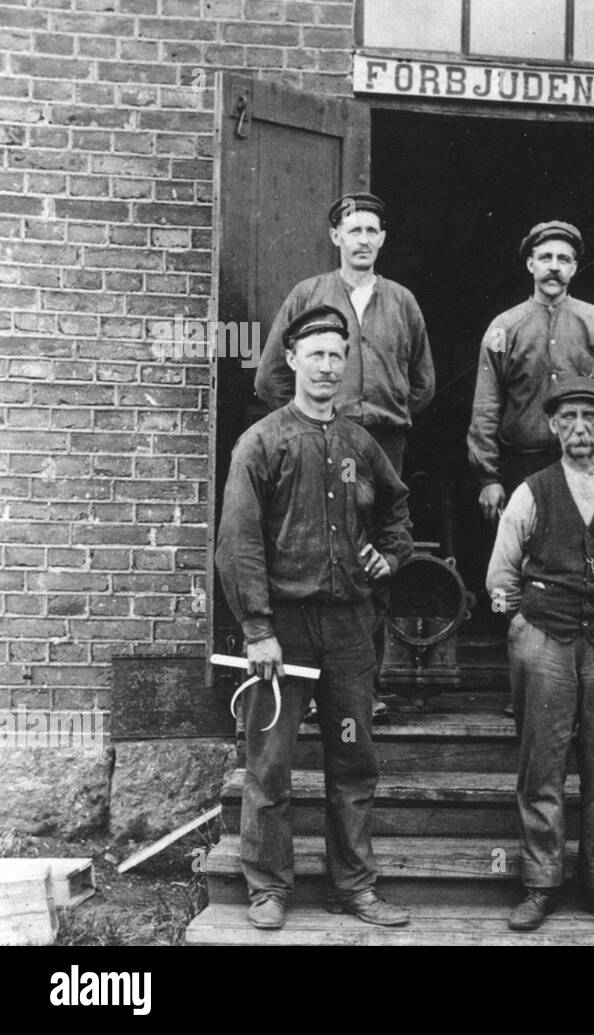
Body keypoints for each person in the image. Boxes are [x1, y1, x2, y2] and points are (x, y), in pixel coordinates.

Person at [217, 304, 414, 931]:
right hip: (286, 630)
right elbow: (238, 543)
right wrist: (258, 629)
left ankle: (353, 886)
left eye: (337, 355)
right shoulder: (263, 441)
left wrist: (390, 557)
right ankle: (269, 888)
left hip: (351, 631)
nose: (327, 366)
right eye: (316, 354)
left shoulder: (360, 442)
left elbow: (396, 511)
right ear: (293, 360)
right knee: (271, 764)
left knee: (353, 759)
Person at [486, 377, 594, 934]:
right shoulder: (531, 491)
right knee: (541, 766)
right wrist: (528, 620)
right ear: (553, 426)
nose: (580, 428)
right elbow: (500, 575)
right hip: (546, 641)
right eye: (569, 419)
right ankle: (541, 884)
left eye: (591, 417)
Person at [254, 191, 434, 723]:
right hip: (319, 439)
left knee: (374, 554)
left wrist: (387, 414)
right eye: (352, 230)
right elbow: (269, 376)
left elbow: (423, 381)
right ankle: (308, 691)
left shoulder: (402, 301)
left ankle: (363, 689)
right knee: (318, 548)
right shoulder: (308, 294)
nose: (362, 240)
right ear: (335, 237)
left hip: (380, 442)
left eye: (371, 231)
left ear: (383, 239)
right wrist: (310, 421)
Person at [468, 220, 594, 523]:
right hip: (523, 465)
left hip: (587, 463)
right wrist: (489, 479)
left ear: (574, 268)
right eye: (546, 258)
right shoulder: (504, 328)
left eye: (563, 259)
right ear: (530, 264)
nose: (554, 267)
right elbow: (486, 408)